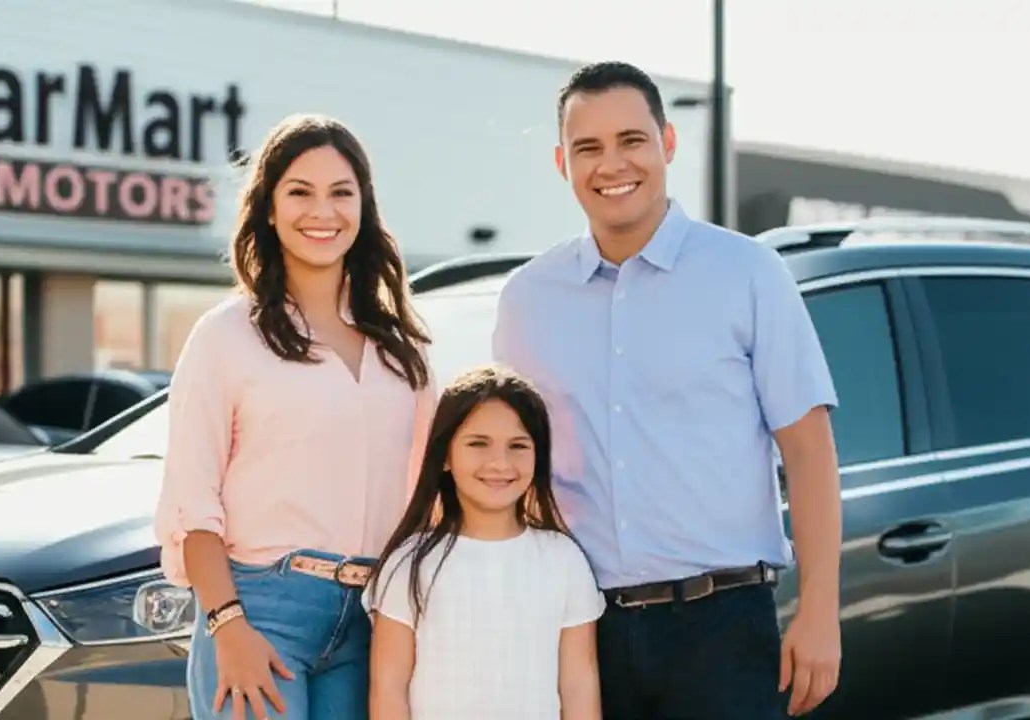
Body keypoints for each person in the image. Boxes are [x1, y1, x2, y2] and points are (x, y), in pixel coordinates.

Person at [491, 61, 844, 719]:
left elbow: (809, 450)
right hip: (580, 629)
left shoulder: (749, 274)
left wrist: (821, 612)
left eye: (631, 140)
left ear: (668, 144)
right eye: (587, 148)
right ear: (561, 161)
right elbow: (505, 466)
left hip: (723, 628)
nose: (611, 164)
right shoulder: (528, 300)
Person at [153, 113, 436, 720]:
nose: (322, 211)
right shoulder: (227, 336)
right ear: (270, 210)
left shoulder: (402, 350)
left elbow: (433, 495)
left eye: (341, 192)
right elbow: (192, 502)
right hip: (260, 609)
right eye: (299, 192)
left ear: (364, 206)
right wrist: (228, 628)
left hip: (374, 617)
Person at [364, 364, 606, 719]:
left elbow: (579, 685)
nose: (499, 462)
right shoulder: (409, 562)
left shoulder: (564, 559)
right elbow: (388, 689)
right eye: (478, 443)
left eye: (518, 445)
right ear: (445, 454)